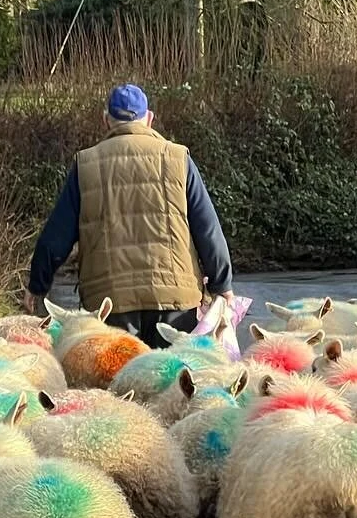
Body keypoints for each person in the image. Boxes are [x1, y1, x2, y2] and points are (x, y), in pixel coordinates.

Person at [25, 83, 233, 347]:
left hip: (110, 302)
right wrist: (221, 283)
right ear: (149, 118)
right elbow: (208, 229)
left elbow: (56, 238)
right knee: (172, 383)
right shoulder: (178, 158)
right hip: (175, 299)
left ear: (106, 120)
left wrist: (38, 285)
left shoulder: (85, 165)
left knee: (118, 384)